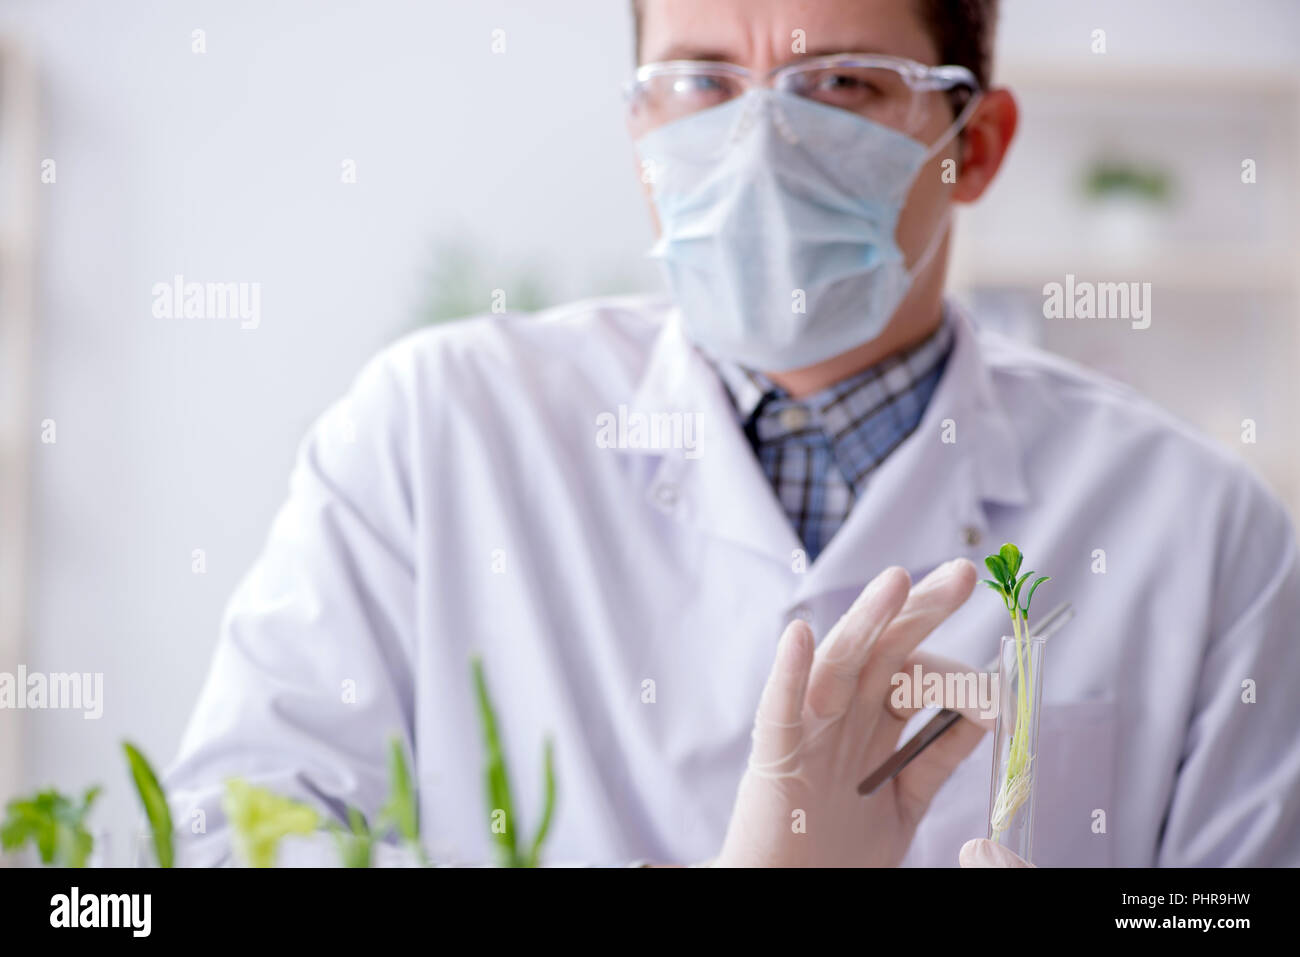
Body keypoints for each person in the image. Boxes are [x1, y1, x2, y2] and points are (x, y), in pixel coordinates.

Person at [165, 0, 1300, 867]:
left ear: (976, 145)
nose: (758, 145)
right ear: (639, 125)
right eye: (701, 82)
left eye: (843, 84)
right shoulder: (429, 433)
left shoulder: (1206, 531)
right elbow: (238, 838)